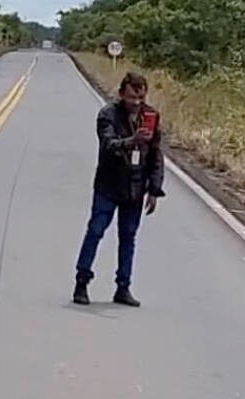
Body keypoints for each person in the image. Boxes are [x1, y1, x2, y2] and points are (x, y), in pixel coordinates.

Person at [72, 72, 165, 307]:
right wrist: (132, 140)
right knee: (95, 230)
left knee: (128, 237)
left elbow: (156, 154)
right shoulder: (108, 115)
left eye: (140, 97)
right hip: (109, 184)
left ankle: (123, 287)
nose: (136, 102)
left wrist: (154, 189)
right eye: (132, 97)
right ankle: (82, 281)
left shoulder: (150, 116)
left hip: (135, 187)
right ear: (122, 94)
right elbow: (108, 145)